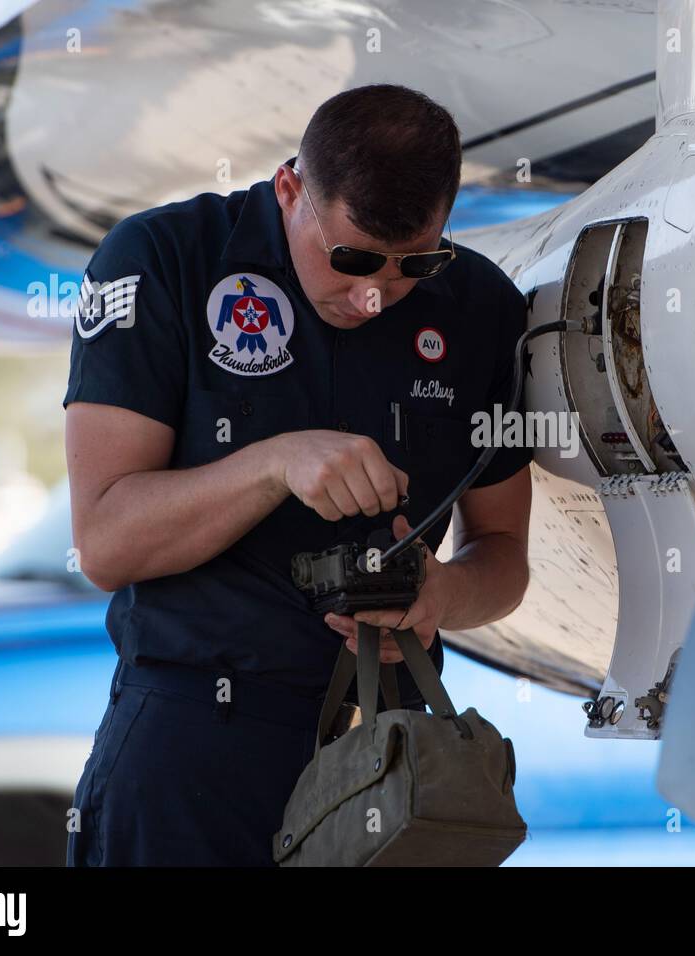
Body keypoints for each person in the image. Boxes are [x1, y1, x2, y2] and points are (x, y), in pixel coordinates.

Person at [62, 84, 533, 865]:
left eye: (415, 262)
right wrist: (274, 464)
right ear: (291, 189)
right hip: (197, 751)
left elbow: (505, 555)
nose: (374, 294)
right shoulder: (164, 260)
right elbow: (106, 543)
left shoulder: (478, 307)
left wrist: (440, 596)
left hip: (392, 763)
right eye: (349, 258)